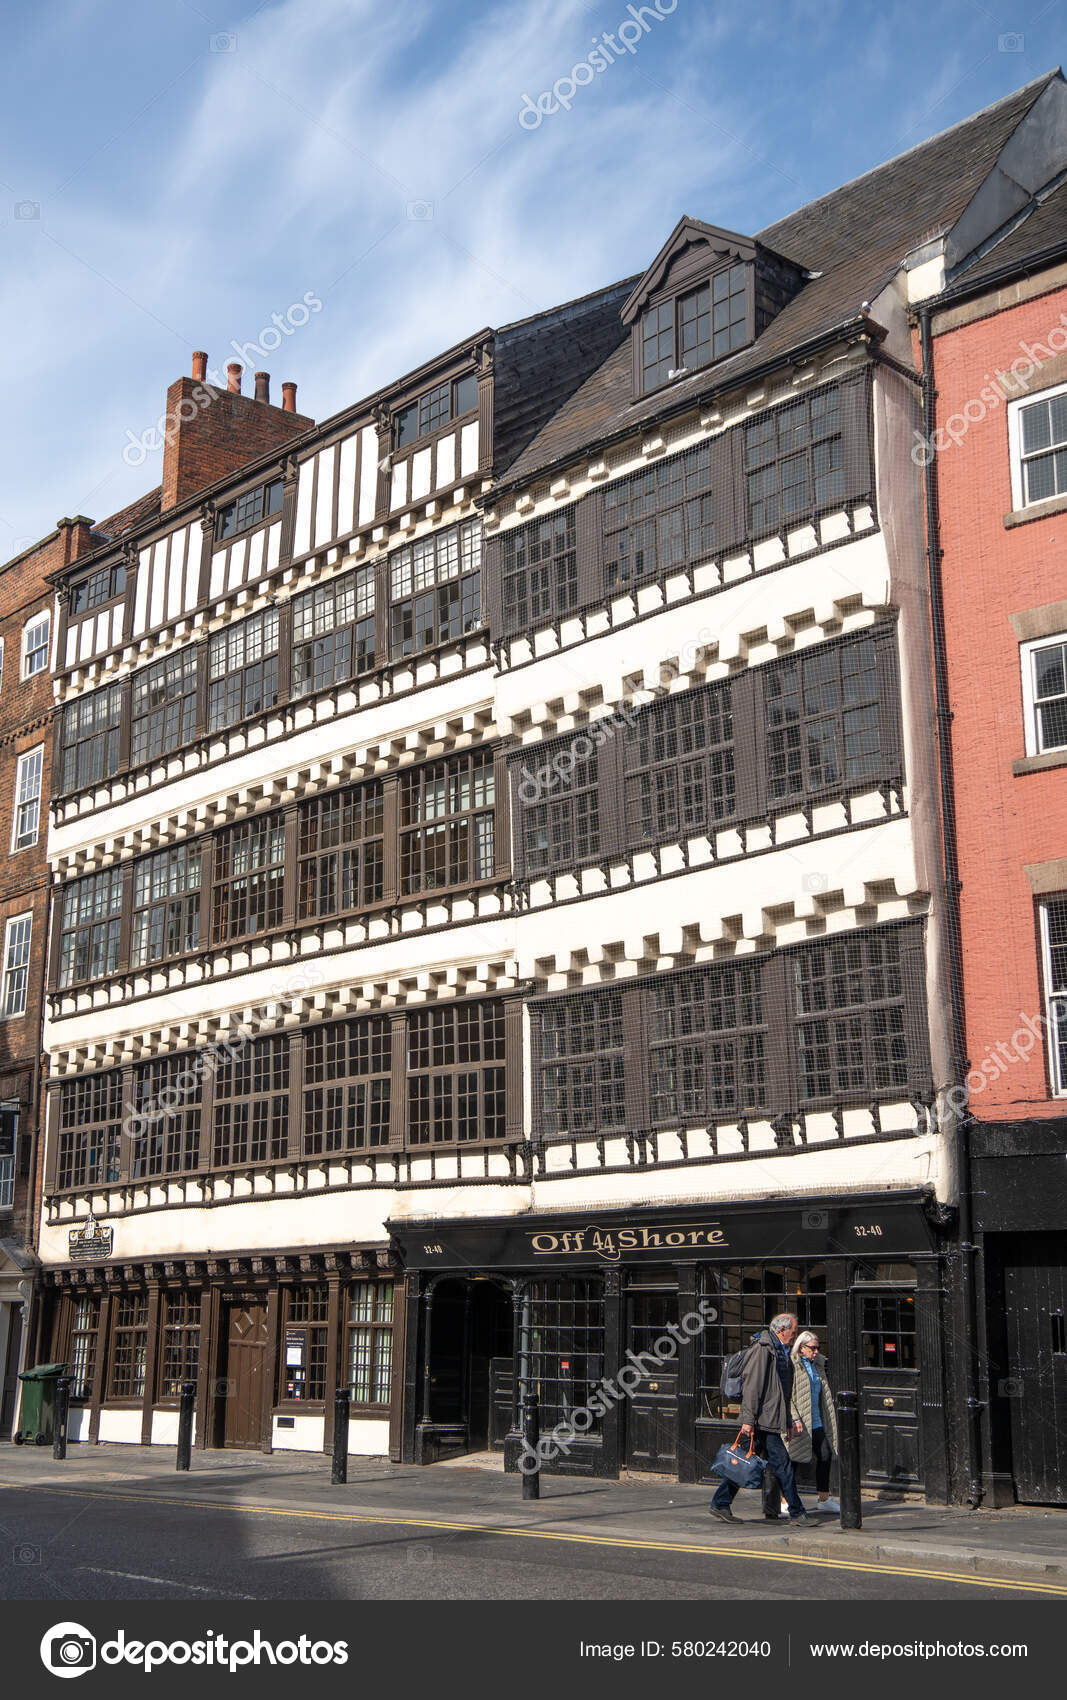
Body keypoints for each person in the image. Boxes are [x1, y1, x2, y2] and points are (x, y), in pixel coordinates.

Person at [709, 1312, 813, 1525]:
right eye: (793, 1332)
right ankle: (797, 1512)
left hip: (770, 1420)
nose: (795, 1336)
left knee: (744, 1463)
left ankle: (720, 1503)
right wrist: (748, 1419)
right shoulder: (763, 1350)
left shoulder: (779, 1351)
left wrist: (787, 1421)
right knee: (779, 1465)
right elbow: (752, 1386)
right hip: (759, 1421)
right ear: (781, 1330)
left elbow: (781, 1393)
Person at [788, 1329, 839, 1512]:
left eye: (818, 1348)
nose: (816, 1351)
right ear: (802, 1348)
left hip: (816, 1420)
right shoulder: (792, 1365)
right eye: (813, 1348)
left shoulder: (817, 1365)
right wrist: (794, 1417)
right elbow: (788, 1395)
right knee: (793, 1460)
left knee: (825, 1455)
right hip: (799, 1421)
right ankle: (786, 1501)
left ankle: (824, 1499)